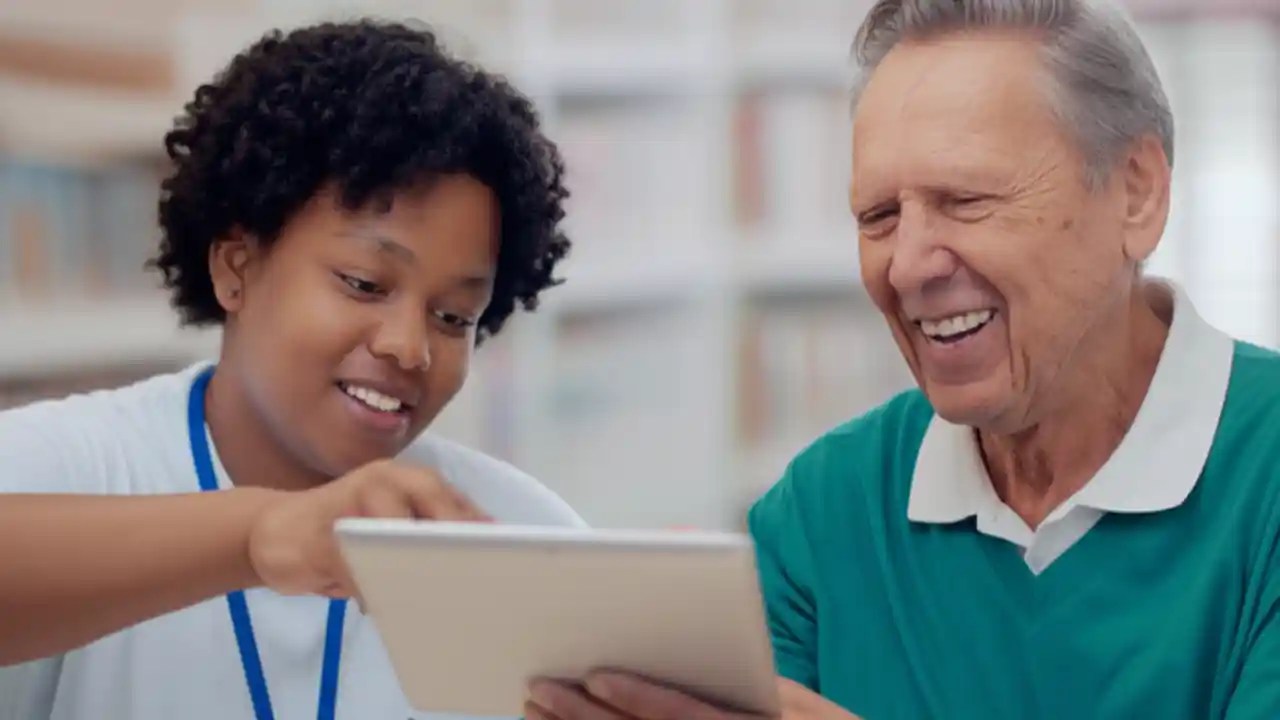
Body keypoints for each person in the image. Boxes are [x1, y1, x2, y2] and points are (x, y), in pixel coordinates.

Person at [524, 1, 1280, 719]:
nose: (908, 266)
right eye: (878, 217)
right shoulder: (823, 509)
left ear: (1136, 195)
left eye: (966, 200)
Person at [0, 18, 581, 720]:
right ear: (236, 267)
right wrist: (261, 535)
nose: (410, 347)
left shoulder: (521, 535)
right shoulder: (76, 466)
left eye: (454, 317)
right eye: (364, 284)